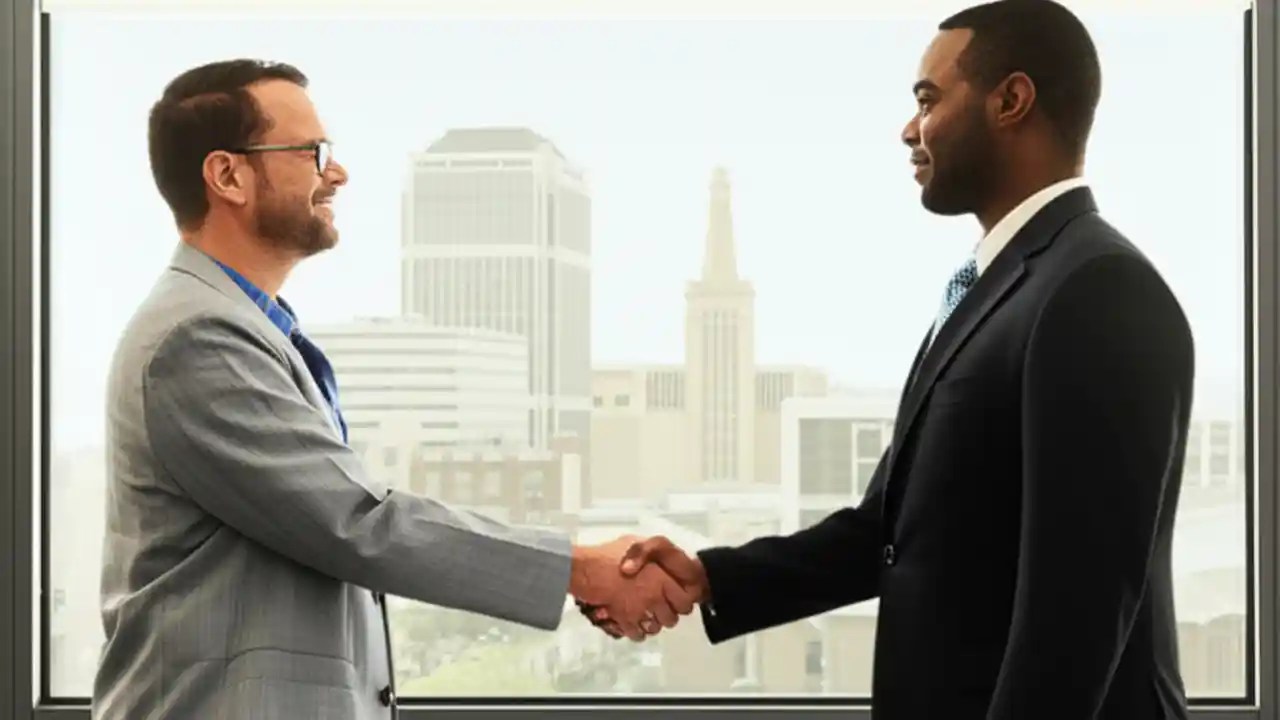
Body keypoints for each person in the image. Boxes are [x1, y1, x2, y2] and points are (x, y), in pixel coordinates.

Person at [588, 1, 1194, 718]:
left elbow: (1075, 619)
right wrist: (707, 576)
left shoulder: (1098, 290)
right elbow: (887, 534)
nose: (910, 129)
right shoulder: (1001, 288)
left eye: (928, 100)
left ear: (1011, 101)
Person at [93, 59, 691, 720]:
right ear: (228, 175)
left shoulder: (242, 328)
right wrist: (577, 567)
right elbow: (356, 524)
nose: (337, 174)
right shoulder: (197, 341)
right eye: (313, 153)